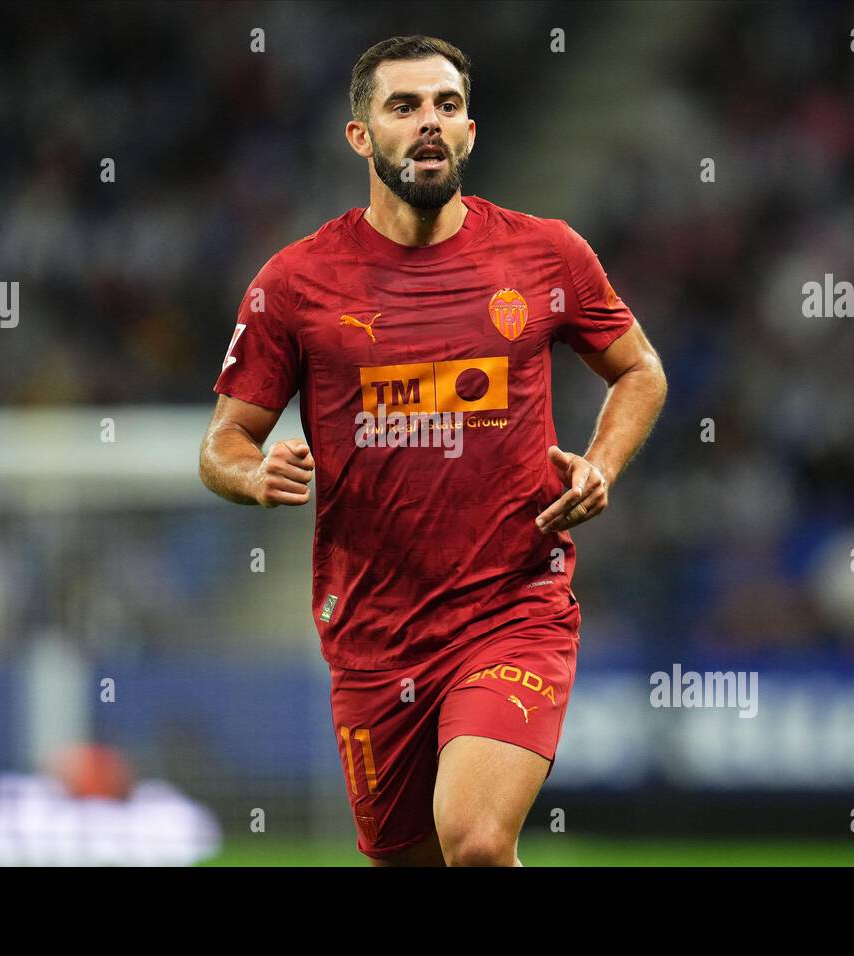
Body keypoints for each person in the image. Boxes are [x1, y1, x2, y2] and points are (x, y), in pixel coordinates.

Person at [199, 35, 667, 866]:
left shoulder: (545, 254)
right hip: (374, 632)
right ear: (359, 135)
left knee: (478, 843)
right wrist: (252, 472)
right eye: (405, 106)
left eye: (447, 106)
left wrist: (601, 463)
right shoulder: (295, 283)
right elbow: (223, 443)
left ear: (470, 131)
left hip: (512, 606)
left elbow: (639, 372)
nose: (429, 123)